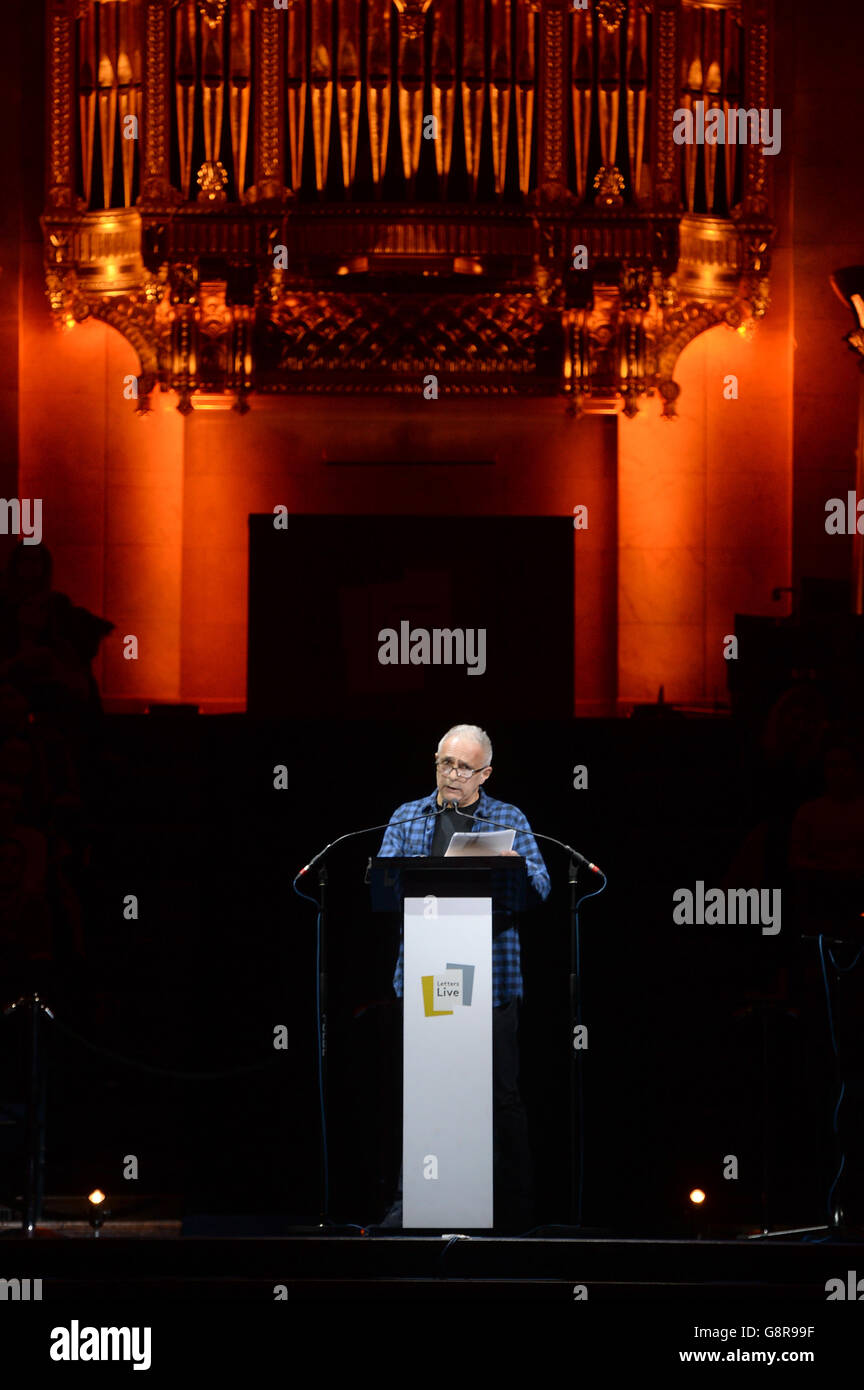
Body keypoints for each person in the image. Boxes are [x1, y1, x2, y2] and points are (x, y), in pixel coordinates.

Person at [376, 723, 551, 1232]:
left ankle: (517, 1211)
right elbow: (385, 883)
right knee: (423, 1092)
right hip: (427, 978)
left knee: (502, 1094)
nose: (453, 776)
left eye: (464, 768)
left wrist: (516, 868)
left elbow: (539, 887)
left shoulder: (508, 817)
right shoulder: (409, 816)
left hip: (492, 980)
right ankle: (412, 1202)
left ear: (485, 773)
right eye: (445, 764)